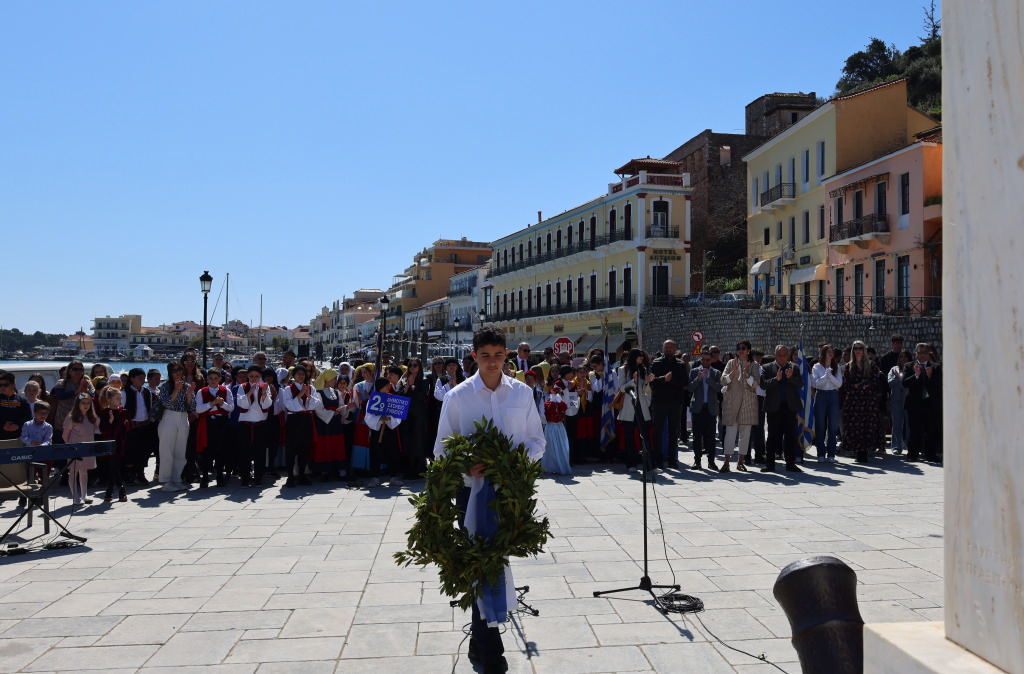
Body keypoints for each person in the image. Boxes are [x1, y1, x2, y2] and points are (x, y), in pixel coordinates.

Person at [434, 327, 544, 674]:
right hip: (472, 493)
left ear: (506, 354)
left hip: (510, 491)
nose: (492, 362)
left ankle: (478, 643)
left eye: (498, 355)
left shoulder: (522, 394)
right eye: (485, 356)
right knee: (483, 563)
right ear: (474, 356)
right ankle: (492, 653)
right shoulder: (458, 397)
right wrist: (466, 466)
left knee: (495, 561)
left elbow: (536, 441)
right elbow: (441, 449)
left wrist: (514, 463)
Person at [761, 345, 804, 473]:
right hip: (774, 407)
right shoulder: (767, 367)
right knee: (772, 436)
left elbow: (800, 384)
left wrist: (790, 378)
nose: (782, 357)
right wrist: (776, 379)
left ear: (788, 355)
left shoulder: (794, 368)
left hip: (789, 408)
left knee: (790, 436)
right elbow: (763, 384)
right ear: (775, 355)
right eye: (779, 354)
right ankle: (770, 464)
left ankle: (790, 464)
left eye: (784, 354)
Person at [839, 340, 882, 464]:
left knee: (868, 426)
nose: (858, 351)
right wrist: (857, 386)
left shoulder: (871, 365)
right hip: (854, 402)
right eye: (856, 348)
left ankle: (865, 452)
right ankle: (858, 453)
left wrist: (867, 384)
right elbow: (846, 385)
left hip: (868, 401)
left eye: (860, 348)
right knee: (855, 427)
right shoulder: (849, 366)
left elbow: (876, 381)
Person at [719, 340, 758, 473]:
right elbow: (723, 380)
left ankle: (740, 462)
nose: (740, 350)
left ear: (748, 350)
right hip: (732, 403)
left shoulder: (754, 365)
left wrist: (746, 372)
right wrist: (734, 371)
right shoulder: (731, 363)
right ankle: (726, 463)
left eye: (743, 348)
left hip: (747, 403)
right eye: (739, 348)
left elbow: (755, 384)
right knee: (730, 433)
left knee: (745, 434)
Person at [649, 340, 689, 470]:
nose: (669, 349)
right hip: (659, 402)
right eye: (666, 347)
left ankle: (672, 460)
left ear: (675, 348)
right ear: (663, 348)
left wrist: (671, 381)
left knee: (673, 432)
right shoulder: (656, 363)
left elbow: (685, 383)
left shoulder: (680, 364)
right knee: (657, 432)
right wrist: (663, 379)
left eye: (671, 347)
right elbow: (651, 381)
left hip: (675, 402)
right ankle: (658, 460)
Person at [157, 362, 195, 492]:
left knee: (180, 450)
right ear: (170, 373)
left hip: (183, 417)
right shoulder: (165, 386)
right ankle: (166, 480)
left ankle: (177, 478)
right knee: (167, 450)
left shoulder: (187, 386)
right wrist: (176, 390)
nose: (178, 372)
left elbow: (191, 406)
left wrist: (189, 394)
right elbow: (166, 404)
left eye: (179, 369)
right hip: (169, 416)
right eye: (174, 370)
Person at [282, 362, 322, 487]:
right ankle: (290, 476)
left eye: (303, 374)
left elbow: (316, 404)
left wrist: (307, 395)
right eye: (298, 374)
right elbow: (289, 405)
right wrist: (300, 395)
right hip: (294, 419)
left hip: (306, 419)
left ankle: (302, 475)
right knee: (291, 449)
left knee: (305, 448)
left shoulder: (311, 388)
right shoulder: (288, 389)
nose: (301, 376)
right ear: (294, 376)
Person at [195, 367, 234, 488]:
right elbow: (198, 409)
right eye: (211, 378)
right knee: (206, 450)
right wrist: (212, 403)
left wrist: (222, 403)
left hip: (221, 422)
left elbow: (231, 407)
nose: (213, 381)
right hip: (207, 422)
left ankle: (219, 476)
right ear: (207, 379)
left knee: (221, 449)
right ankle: (205, 476)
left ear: (220, 379)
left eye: (215, 378)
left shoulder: (226, 390)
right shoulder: (201, 391)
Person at [903, 342, 942, 463]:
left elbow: (939, 384)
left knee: (931, 430)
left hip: (930, 403)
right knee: (914, 430)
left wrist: (930, 376)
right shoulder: (909, 366)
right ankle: (912, 454)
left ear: (929, 354)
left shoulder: (935, 367)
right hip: (915, 404)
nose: (923, 355)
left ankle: (931, 455)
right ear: (916, 354)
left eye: (925, 352)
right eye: (920, 352)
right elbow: (905, 383)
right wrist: (916, 375)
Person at [236, 365, 273, 487]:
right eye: (251, 376)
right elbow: (241, 403)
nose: (254, 379)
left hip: (260, 423)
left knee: (260, 452)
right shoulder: (242, 387)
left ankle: (258, 478)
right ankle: (245, 478)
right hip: (245, 423)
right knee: (244, 452)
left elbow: (267, 404)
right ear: (247, 376)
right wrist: (250, 392)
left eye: (256, 376)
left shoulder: (264, 387)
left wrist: (264, 393)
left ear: (260, 376)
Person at [364, 376, 403, 487]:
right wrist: (379, 419)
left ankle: (393, 477)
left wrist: (391, 418)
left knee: (392, 452)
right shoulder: (373, 399)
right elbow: (368, 417)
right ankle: (374, 477)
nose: (388, 387)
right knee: (375, 453)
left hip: (390, 429)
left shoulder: (392, 398)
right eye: (386, 385)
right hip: (377, 429)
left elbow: (397, 414)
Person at [122, 367, 156, 486]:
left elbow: (149, 408)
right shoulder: (125, 393)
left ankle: (140, 473)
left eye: (143, 378)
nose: (142, 380)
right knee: (130, 452)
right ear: (132, 379)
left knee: (143, 452)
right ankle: (129, 475)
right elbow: (121, 410)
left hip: (145, 426)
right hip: (131, 427)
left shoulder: (146, 392)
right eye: (140, 378)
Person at [397, 357, 430, 480]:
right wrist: (407, 386)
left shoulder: (424, 380)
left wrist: (412, 386)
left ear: (419, 367)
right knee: (407, 442)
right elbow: (400, 395)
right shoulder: (404, 380)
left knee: (418, 442)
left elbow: (422, 396)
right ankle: (408, 468)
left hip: (419, 416)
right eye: (410, 365)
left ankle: (419, 468)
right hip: (407, 416)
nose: (412, 367)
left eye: (415, 365)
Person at [311, 368, 346, 481]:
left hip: (335, 422)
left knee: (336, 444)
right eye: (334, 378)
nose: (335, 380)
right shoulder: (318, 392)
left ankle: (339, 469)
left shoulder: (335, 392)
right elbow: (319, 410)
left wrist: (345, 408)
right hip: (324, 423)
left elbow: (340, 405)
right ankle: (324, 471)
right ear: (327, 378)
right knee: (325, 445)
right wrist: (333, 413)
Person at [688, 351, 722, 470]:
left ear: (711, 360)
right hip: (698, 408)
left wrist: (708, 379)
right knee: (697, 437)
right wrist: (698, 379)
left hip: (710, 408)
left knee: (711, 437)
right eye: (703, 359)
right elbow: (690, 388)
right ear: (700, 359)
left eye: (708, 360)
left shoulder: (716, 373)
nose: (705, 362)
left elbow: (718, 388)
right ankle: (697, 461)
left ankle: (711, 462)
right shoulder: (694, 371)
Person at [64, 393, 99, 505]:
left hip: (87, 448)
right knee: (73, 472)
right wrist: (70, 447)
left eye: (88, 403)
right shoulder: (72, 418)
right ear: (78, 404)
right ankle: (75, 497)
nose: (86, 405)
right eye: (83, 403)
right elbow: (65, 435)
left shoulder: (91, 417)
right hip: (74, 449)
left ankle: (84, 495)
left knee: (84, 471)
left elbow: (92, 430)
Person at [811, 344, 843, 463]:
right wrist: (826, 376)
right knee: (820, 426)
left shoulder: (836, 367)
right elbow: (815, 383)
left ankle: (831, 453)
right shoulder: (817, 367)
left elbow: (839, 384)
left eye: (832, 351)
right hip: (821, 395)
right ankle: (820, 453)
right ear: (823, 353)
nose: (831, 353)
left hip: (833, 395)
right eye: (828, 351)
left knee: (832, 426)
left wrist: (830, 376)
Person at [97, 387, 129, 502]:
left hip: (120, 442)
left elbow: (128, 427)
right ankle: (120, 489)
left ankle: (110, 490)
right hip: (110, 443)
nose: (120, 401)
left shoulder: (123, 412)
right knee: (113, 466)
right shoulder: (105, 412)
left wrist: (126, 424)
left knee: (114, 466)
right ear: (109, 400)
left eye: (121, 398)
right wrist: (110, 421)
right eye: (117, 398)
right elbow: (103, 430)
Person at [50, 361, 94, 443]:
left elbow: (92, 397)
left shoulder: (87, 383)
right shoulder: (61, 383)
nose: (78, 371)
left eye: (81, 369)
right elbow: (60, 396)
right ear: (69, 371)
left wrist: (84, 393)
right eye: (75, 369)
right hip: (62, 425)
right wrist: (76, 392)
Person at [887, 349, 912, 455]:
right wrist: (898, 378)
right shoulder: (894, 369)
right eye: (901, 357)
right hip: (896, 400)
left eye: (905, 357)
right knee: (897, 424)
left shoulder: (912, 368)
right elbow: (890, 382)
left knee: (910, 424)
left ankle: (910, 446)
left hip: (909, 400)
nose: (903, 359)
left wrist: (900, 377)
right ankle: (896, 446)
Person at [0, 370, 31, 441]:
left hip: (17, 439)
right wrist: (2, 424)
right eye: (0, 385)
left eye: (5, 385)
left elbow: (28, 420)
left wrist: (17, 426)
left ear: (13, 385)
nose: (2, 387)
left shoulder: (22, 401)